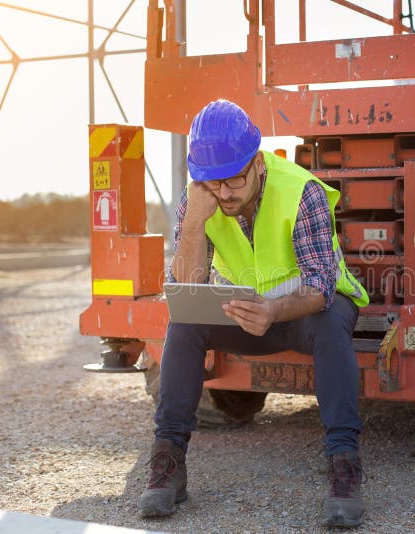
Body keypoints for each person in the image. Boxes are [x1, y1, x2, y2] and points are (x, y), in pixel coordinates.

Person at [138, 100, 370, 528]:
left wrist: (273, 310)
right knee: (185, 322)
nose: (224, 193)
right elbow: (188, 285)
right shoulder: (202, 200)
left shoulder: (303, 192)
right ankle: (168, 462)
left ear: (258, 164)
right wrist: (192, 225)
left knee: (333, 319)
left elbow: (320, 283)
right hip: (246, 315)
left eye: (234, 180)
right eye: (212, 183)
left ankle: (344, 468)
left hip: (304, 314)